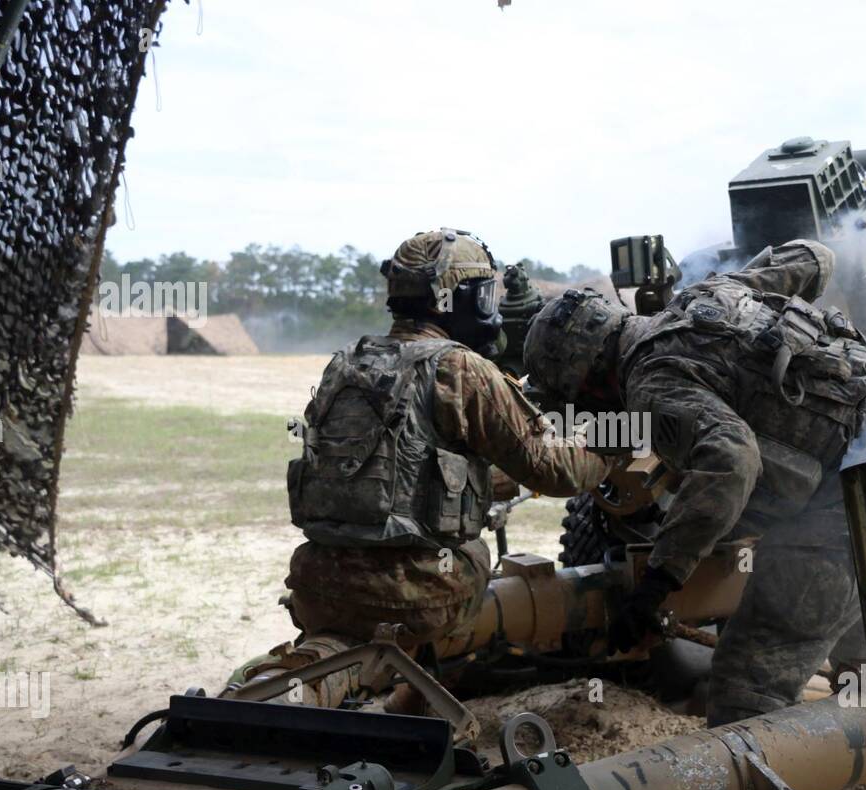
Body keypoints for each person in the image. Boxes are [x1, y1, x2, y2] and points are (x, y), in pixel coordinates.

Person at [524, 238, 866, 790]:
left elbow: (730, 463)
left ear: (589, 375)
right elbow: (817, 258)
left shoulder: (651, 378)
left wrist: (658, 584)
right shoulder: (713, 293)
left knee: (749, 676)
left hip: (842, 498)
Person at [229, 228, 610, 694]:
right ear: (458, 301)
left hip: (317, 587)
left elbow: (407, 471)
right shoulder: (461, 369)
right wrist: (610, 448)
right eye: (485, 294)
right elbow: (559, 471)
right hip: (416, 600)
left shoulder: (347, 362)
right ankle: (433, 677)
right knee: (473, 553)